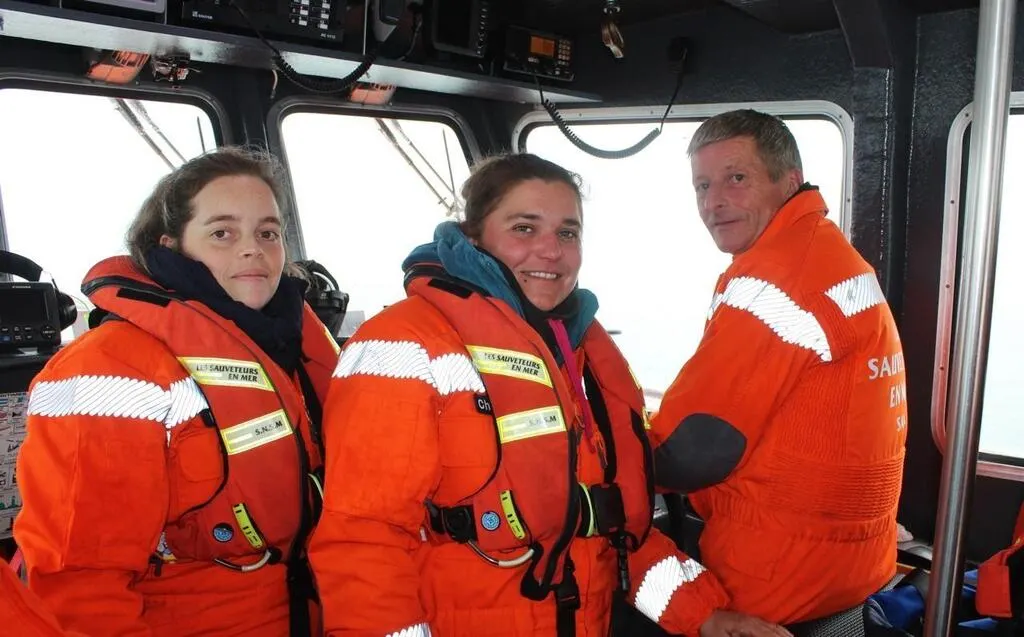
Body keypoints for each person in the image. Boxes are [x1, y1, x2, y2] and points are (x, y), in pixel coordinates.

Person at [309, 152, 791, 637]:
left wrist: (706, 616)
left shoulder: (574, 354)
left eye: (567, 232)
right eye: (524, 228)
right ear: (474, 236)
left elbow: (608, 527)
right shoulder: (403, 345)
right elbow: (362, 541)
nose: (551, 251)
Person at [14, 147, 340, 636]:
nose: (252, 249)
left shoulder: (287, 349)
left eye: (268, 233)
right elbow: (79, 586)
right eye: (222, 233)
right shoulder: (109, 369)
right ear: (171, 246)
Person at [650, 109, 908, 625]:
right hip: (851, 568)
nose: (713, 201)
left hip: (775, 583)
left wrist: (598, 457)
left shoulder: (775, 281)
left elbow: (688, 455)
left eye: (736, 178)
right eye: (702, 185)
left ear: (788, 179)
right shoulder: (830, 256)